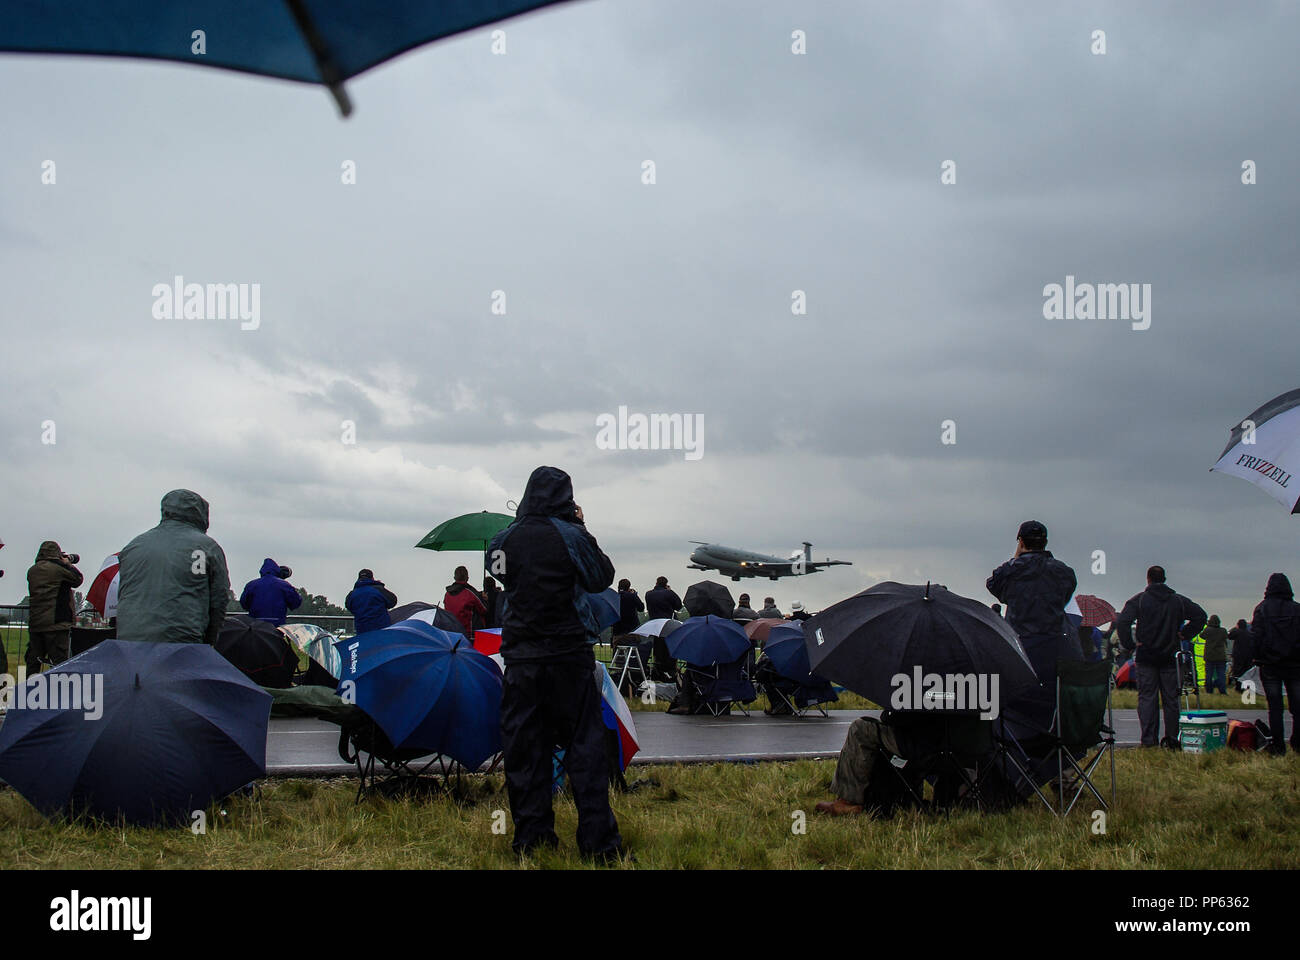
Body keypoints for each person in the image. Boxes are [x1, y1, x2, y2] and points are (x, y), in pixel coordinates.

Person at [487, 466, 625, 861]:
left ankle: (532, 842)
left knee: (525, 751)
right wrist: (580, 526)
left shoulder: (503, 540)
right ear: (567, 498)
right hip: (568, 655)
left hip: (521, 657)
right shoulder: (571, 535)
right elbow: (601, 576)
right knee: (585, 748)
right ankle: (599, 846)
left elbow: (498, 574)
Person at [985, 520, 1078, 737]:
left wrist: (1016, 557)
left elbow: (993, 584)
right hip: (1056, 653)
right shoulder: (1064, 572)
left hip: (1021, 650)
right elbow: (1065, 597)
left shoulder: (1011, 571)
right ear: (1045, 542)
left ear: (1021, 541)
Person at [116, 490, 229, 645]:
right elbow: (219, 599)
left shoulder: (134, 546)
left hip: (129, 641)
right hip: (182, 642)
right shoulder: (207, 547)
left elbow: (124, 593)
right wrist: (209, 644)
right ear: (202, 514)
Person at [1115, 566, 1207, 749]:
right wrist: (1185, 633)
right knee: (1172, 700)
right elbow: (1200, 616)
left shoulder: (1140, 600)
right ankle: (1172, 739)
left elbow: (1123, 621)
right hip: (1170, 656)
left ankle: (1149, 741)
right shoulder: (1178, 601)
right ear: (1164, 579)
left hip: (1146, 657)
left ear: (1148, 579)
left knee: (1147, 699)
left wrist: (1130, 644)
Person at [1247, 573, 1300, 755]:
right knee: (1297, 707)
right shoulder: (1296, 609)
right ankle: (1297, 742)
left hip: (1269, 665)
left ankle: (1278, 746)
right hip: (1294, 664)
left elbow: (1256, 637)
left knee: (1275, 708)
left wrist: (1256, 657)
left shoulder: (1261, 609)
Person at [24, 541, 83, 673]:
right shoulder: (59, 569)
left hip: (36, 624)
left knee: (33, 661)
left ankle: (29, 690)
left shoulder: (32, 570)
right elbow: (77, 579)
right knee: (59, 664)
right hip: (56, 623)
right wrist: (67, 563)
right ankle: (57, 691)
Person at [239, 558, 302, 626]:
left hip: (255, 626)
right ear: (277, 571)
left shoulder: (251, 585)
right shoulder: (284, 585)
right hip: (277, 624)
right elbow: (296, 602)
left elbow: (244, 603)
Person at [645, 576, 683, 680]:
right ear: (666, 584)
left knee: (658, 650)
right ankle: (670, 672)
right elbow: (679, 606)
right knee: (669, 650)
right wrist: (670, 591)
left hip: (655, 626)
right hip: (668, 625)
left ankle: (658, 671)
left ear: (656, 583)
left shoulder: (648, 594)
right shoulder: (669, 593)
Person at [345, 569, 397, 635]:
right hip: (381, 629)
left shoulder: (352, 594)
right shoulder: (378, 589)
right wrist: (380, 586)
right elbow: (393, 601)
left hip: (361, 631)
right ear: (372, 578)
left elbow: (348, 606)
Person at [443, 565, 487, 637]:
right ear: (467, 578)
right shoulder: (470, 593)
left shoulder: (447, 594)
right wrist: (485, 599)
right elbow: (484, 609)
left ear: (454, 578)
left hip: (452, 634)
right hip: (469, 635)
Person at [1200, 614, 1229, 695]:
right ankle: (1222, 690)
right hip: (1221, 656)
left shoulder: (1208, 630)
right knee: (1221, 675)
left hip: (1209, 656)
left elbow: (1201, 636)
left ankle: (1209, 690)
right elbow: (1226, 637)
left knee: (1209, 674)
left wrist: (1207, 626)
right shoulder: (1223, 630)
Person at [1229, 618, 1254, 687]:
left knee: (1237, 671)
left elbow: (1230, 636)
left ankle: (1238, 686)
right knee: (1247, 671)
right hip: (1248, 655)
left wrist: (1235, 628)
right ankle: (1247, 686)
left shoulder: (1237, 632)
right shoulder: (1249, 634)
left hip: (1238, 655)